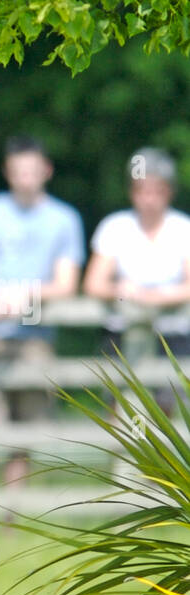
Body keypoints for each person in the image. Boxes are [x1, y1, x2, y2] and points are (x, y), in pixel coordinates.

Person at [0, 135, 85, 520]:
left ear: (46, 171)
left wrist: (24, 297)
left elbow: (66, 284)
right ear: (7, 172)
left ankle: (11, 520)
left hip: (36, 340)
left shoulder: (64, 218)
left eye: (32, 170)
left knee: (24, 437)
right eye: (18, 171)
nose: (25, 178)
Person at [82, 147, 190, 412]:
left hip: (172, 333)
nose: (150, 199)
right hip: (121, 332)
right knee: (119, 408)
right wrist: (121, 291)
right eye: (143, 190)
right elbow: (93, 284)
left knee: (171, 410)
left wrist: (153, 296)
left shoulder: (183, 227)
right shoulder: (115, 226)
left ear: (169, 192)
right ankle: (119, 456)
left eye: (157, 190)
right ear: (132, 192)